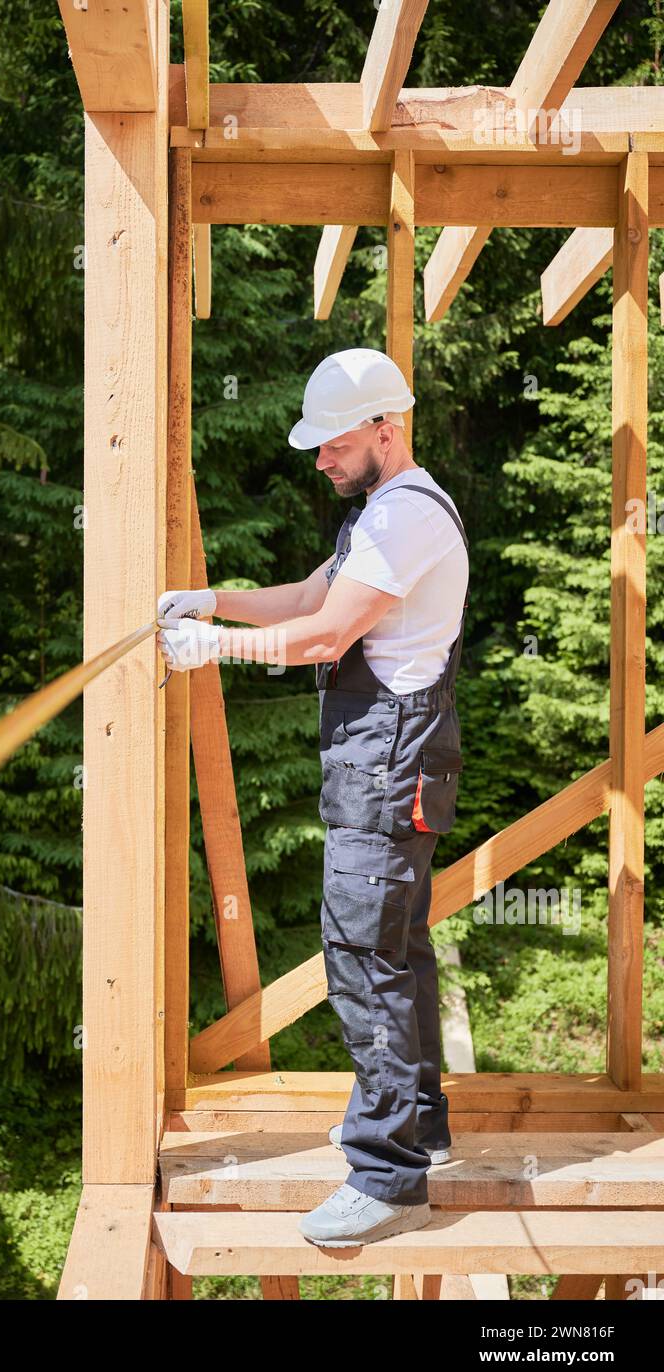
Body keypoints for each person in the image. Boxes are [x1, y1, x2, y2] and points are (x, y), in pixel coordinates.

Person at [156, 347, 468, 1247]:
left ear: (385, 427)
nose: (320, 461)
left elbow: (327, 636)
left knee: (364, 954)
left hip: (390, 762)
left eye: (332, 445)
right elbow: (304, 595)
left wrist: (213, 649)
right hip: (393, 760)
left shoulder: (404, 517)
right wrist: (210, 599)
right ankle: (420, 1130)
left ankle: (387, 1177)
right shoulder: (384, 515)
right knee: (398, 947)